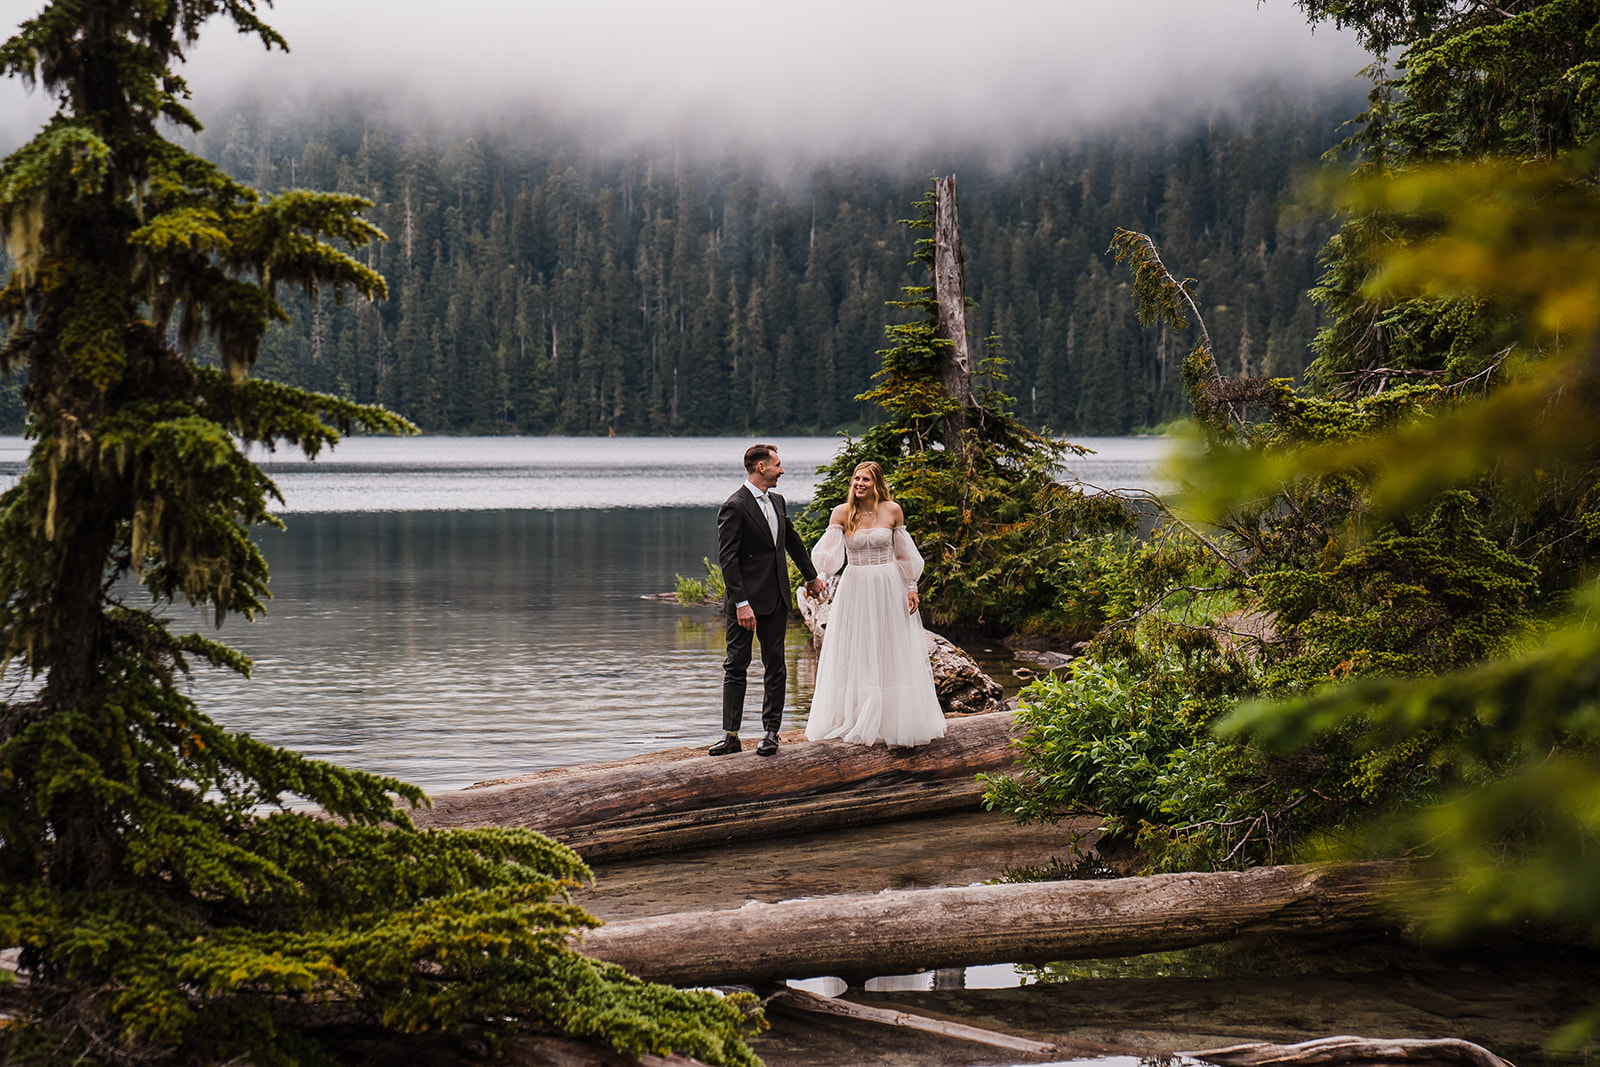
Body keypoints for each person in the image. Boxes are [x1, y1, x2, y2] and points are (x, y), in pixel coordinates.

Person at [805, 461, 946, 748]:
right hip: (855, 585)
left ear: (876, 483)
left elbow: (904, 554)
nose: (859, 484)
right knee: (856, 646)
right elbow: (829, 553)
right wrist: (819, 578)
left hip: (888, 585)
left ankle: (892, 718)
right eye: (856, 479)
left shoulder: (892, 510)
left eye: (865, 479)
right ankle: (857, 715)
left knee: (889, 646)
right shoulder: (842, 513)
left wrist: (911, 586)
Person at [713, 444, 826, 757]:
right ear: (760, 467)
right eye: (777, 464)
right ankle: (731, 735)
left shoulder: (777, 500)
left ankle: (771, 733)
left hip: (775, 598)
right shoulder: (734, 505)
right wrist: (740, 603)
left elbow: (791, 540)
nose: (782, 469)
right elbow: (728, 560)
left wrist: (811, 576)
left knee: (775, 666)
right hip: (745, 604)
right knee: (736, 665)